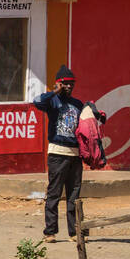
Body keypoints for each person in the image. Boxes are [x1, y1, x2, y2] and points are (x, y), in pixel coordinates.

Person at [34, 65, 103, 242]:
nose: (69, 87)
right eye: (65, 83)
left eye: (71, 83)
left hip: (75, 155)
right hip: (57, 153)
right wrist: (54, 91)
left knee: (74, 195)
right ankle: (50, 232)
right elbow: (37, 102)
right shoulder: (52, 102)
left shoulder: (78, 104)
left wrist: (99, 116)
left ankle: (75, 232)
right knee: (54, 193)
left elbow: (89, 123)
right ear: (58, 84)